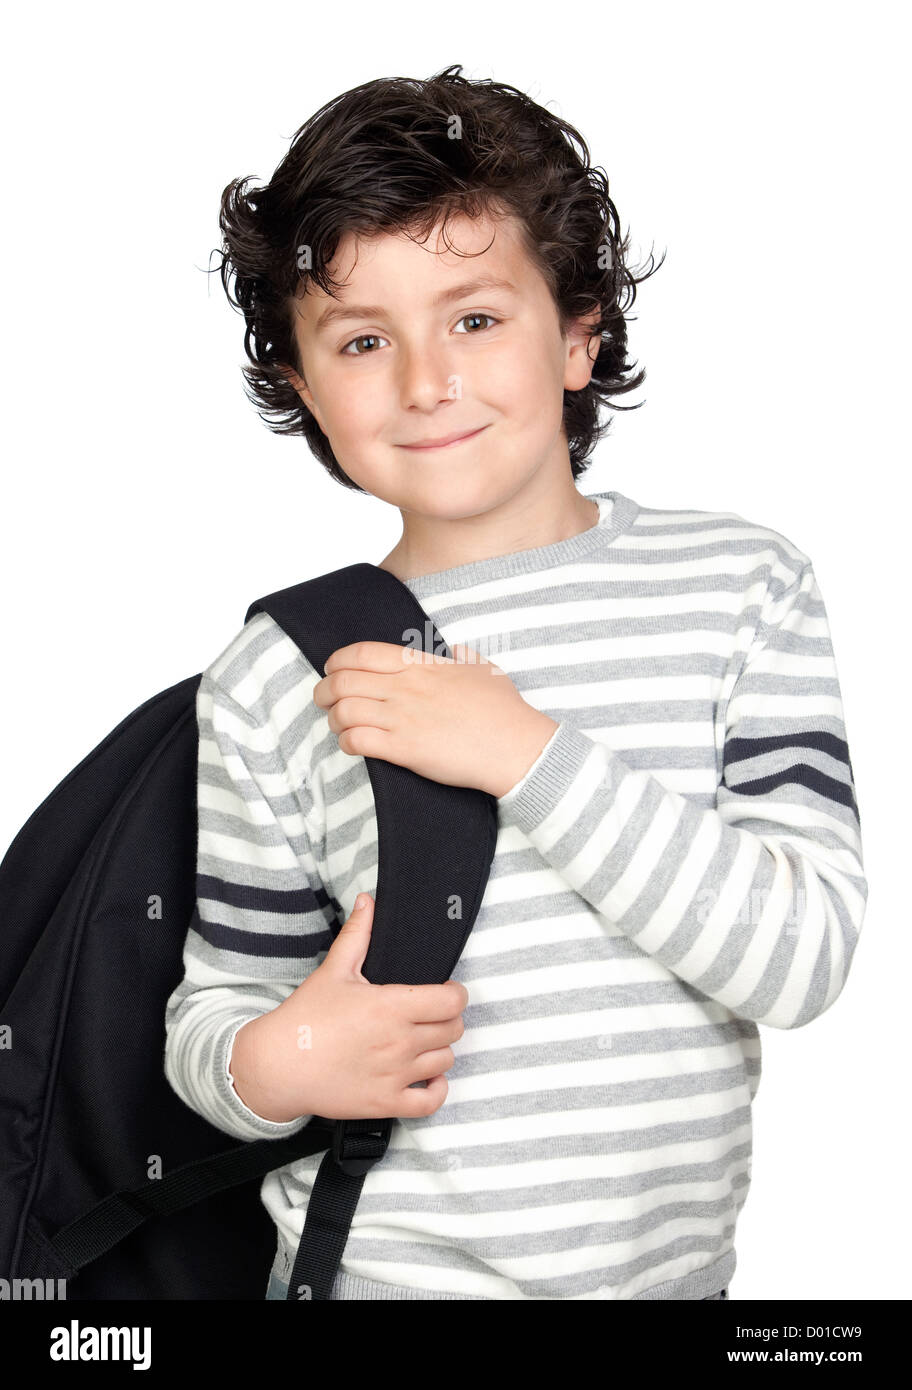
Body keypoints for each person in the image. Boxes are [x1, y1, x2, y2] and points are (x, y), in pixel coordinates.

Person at [163, 65, 867, 1301]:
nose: (426, 379)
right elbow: (214, 1021)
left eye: (476, 318)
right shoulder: (277, 671)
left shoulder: (743, 586)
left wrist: (527, 753)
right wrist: (284, 1061)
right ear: (305, 387)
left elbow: (801, 957)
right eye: (364, 339)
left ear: (581, 333)